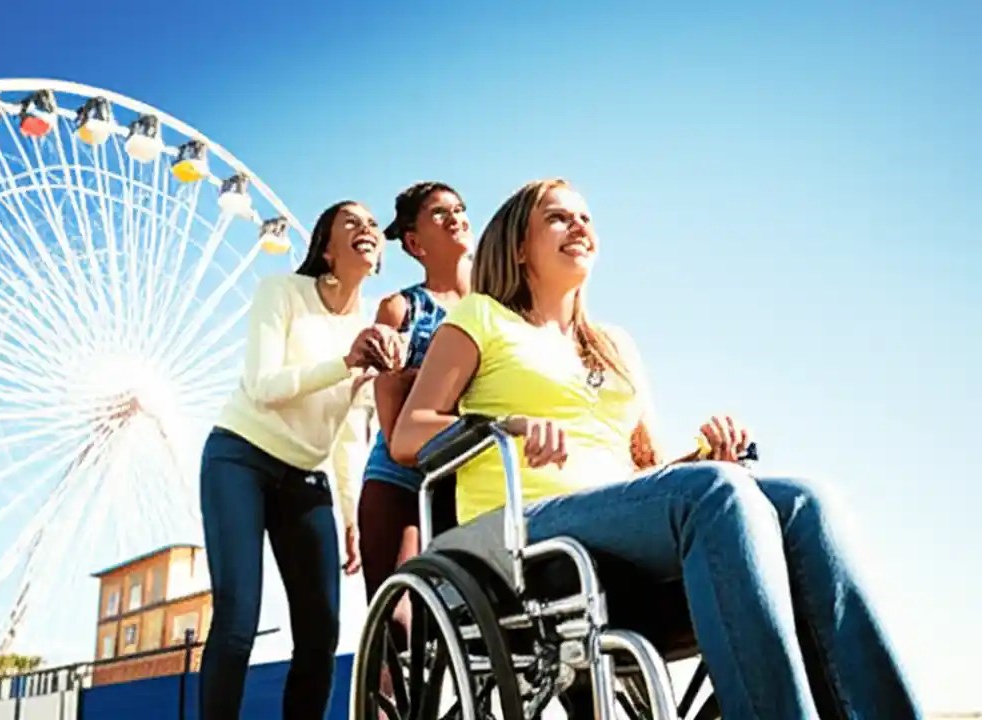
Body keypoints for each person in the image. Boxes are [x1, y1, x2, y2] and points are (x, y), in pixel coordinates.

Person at [390, 179, 923, 719]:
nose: (580, 226)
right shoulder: (481, 318)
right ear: (519, 246)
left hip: (623, 518)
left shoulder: (614, 346)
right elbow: (409, 434)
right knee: (717, 493)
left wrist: (708, 459)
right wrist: (509, 424)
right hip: (521, 530)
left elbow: (648, 469)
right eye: (558, 217)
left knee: (807, 500)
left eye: (586, 217)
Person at [197, 200, 403, 720]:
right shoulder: (282, 292)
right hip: (240, 457)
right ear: (326, 248)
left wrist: (351, 515)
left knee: (320, 634)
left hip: (306, 478)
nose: (367, 229)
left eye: (373, 224)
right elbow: (263, 386)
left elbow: (347, 432)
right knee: (239, 618)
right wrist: (345, 361)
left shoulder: (369, 326)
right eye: (351, 222)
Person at [357, 181, 472, 605]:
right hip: (400, 477)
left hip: (471, 475)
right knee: (398, 617)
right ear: (413, 242)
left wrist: (418, 378)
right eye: (439, 213)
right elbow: (391, 418)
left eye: (459, 208)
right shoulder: (401, 308)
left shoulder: (499, 305)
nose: (456, 217)